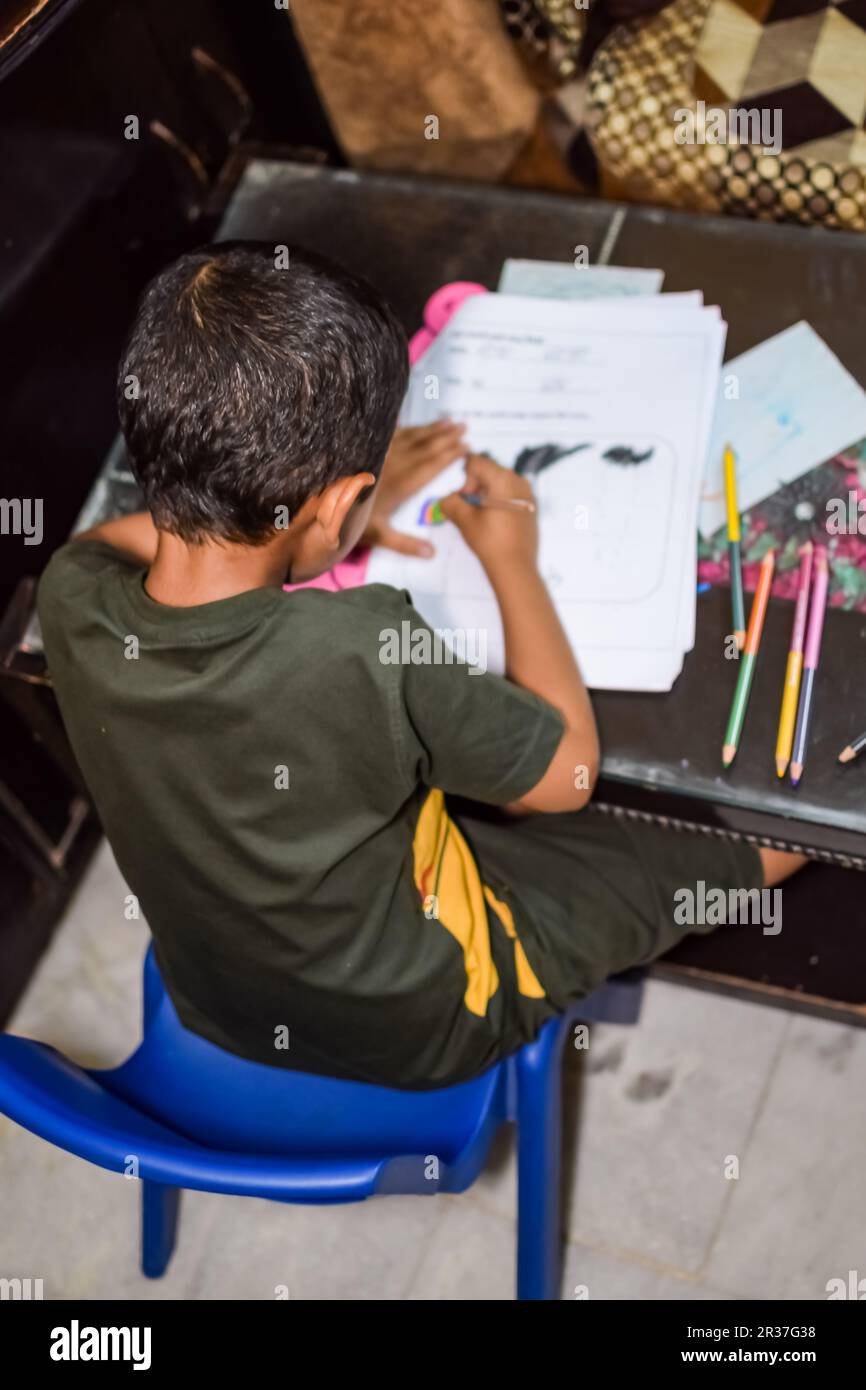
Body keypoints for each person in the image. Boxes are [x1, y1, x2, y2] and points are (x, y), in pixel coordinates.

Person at [37, 242, 803, 1089]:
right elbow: (568, 773)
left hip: (221, 999)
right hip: (423, 1019)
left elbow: (107, 544)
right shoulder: (357, 649)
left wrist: (312, 516)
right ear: (337, 505)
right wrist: (510, 553)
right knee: (769, 839)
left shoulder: (71, 595)